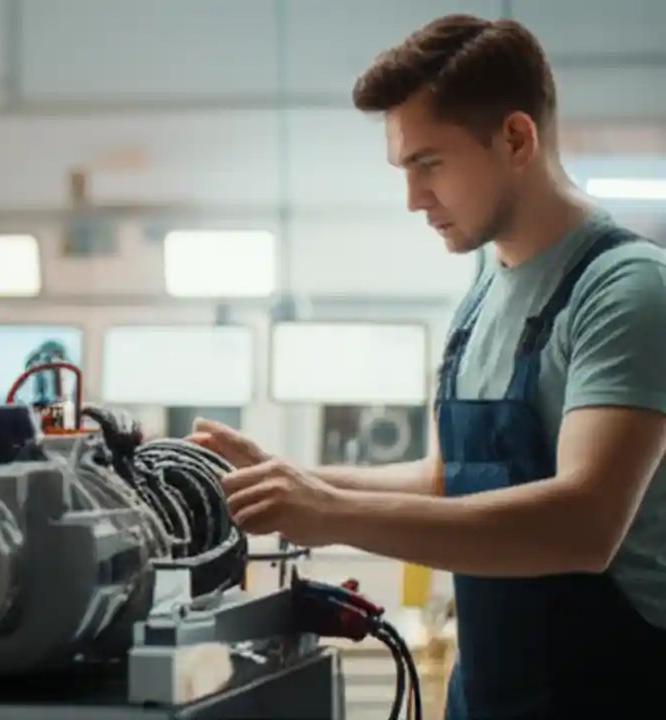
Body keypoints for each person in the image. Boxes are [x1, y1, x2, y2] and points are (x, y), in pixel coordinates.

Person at [190, 14, 666, 719]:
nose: (413, 198)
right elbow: (447, 480)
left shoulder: (625, 289)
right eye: (404, 170)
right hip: (491, 695)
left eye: (429, 164)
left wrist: (331, 512)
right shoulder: (483, 290)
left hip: (614, 692)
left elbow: (584, 523)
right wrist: (288, 478)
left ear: (515, 139)